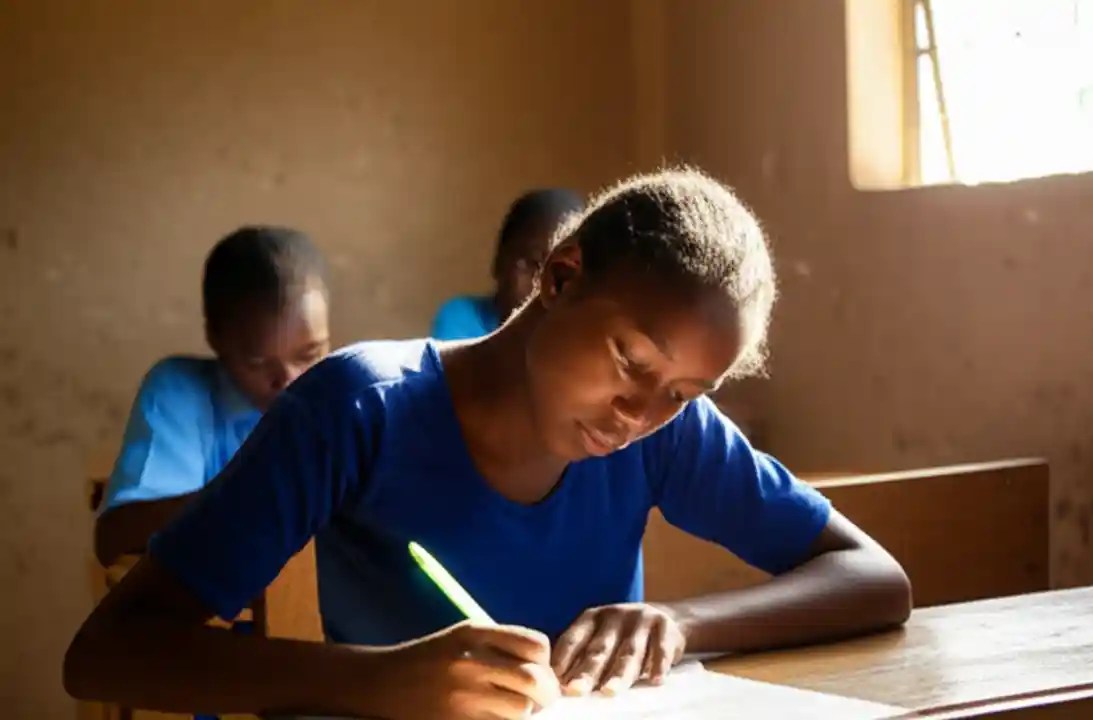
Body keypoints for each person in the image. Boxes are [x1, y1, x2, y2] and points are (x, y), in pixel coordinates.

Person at [64, 170, 911, 720]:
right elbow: (106, 653)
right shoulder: (363, 408)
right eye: (629, 360)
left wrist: (679, 623)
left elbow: (874, 579)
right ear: (561, 275)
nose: (637, 414)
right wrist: (381, 681)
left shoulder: (665, 432)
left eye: (684, 394)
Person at [93, 226, 331, 567]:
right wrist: (255, 495)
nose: (289, 381)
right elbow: (115, 538)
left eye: (310, 355)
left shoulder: (349, 393)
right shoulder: (182, 392)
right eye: (257, 362)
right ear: (215, 338)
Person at [430, 188, 584, 340]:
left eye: (561, 274)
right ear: (498, 260)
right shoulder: (460, 318)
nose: (517, 282)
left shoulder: (581, 337)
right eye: (530, 263)